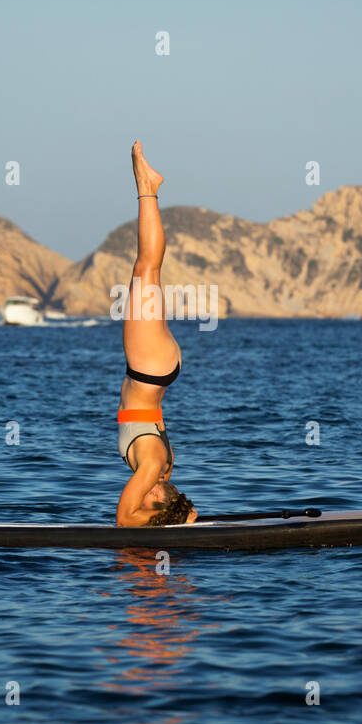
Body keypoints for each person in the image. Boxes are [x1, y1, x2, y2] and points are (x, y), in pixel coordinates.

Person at [115, 142, 197, 527]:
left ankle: (149, 186)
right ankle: (148, 186)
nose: (148, 490)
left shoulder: (164, 465)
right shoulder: (152, 466)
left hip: (159, 369)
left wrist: (186, 517)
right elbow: (123, 520)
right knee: (147, 267)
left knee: (147, 270)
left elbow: (183, 508)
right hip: (148, 367)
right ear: (162, 501)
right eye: (157, 496)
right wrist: (171, 524)